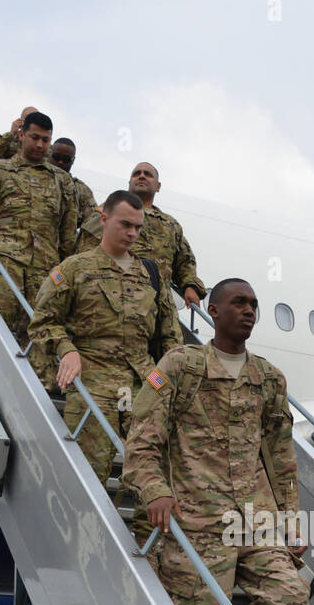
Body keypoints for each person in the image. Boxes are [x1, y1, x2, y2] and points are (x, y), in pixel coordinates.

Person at [123, 278, 309, 605]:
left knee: (290, 598)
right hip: (198, 522)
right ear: (213, 309)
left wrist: (291, 518)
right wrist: (156, 491)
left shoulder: (268, 378)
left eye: (254, 305)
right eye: (238, 302)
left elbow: (281, 456)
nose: (248, 311)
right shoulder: (180, 366)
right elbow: (143, 439)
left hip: (254, 519)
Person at [27, 189, 183, 483]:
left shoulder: (151, 274)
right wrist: (67, 348)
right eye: (125, 224)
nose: (132, 233)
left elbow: (170, 337)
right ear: (104, 219)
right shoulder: (75, 269)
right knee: (85, 478)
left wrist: (168, 383)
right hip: (94, 384)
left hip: (145, 383)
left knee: (156, 480)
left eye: (138, 227)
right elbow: (42, 322)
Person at [0, 110, 77, 341]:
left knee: (38, 337)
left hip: (45, 269)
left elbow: (68, 228)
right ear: (22, 135)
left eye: (45, 140)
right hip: (6, 263)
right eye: (34, 137)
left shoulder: (62, 181)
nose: (39, 144)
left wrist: (65, 270)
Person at [79, 162, 205, 309]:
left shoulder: (171, 225)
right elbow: (85, 251)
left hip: (157, 304)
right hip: (111, 298)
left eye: (148, 174)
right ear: (129, 183)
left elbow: (185, 262)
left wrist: (190, 286)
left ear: (158, 186)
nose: (141, 176)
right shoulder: (107, 212)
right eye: (136, 173)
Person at [49, 139, 97, 231]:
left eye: (66, 159)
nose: (60, 162)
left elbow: (92, 223)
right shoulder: (32, 177)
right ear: (50, 154)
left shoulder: (82, 191)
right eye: (56, 157)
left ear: (73, 160)